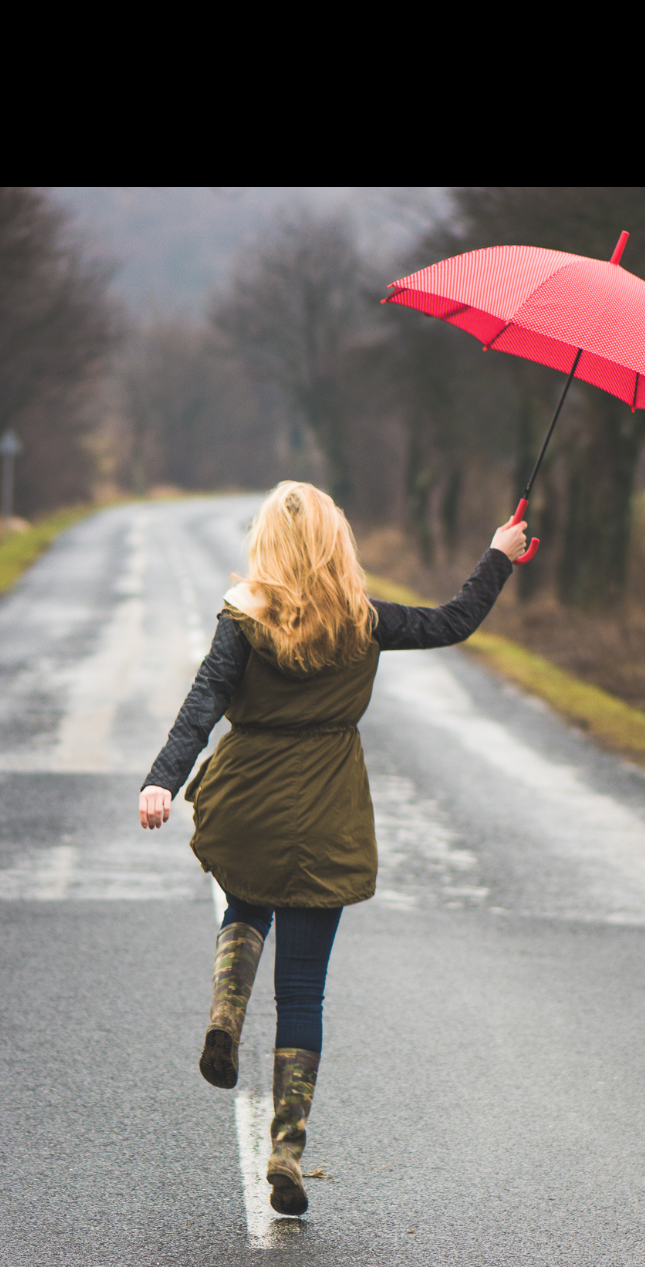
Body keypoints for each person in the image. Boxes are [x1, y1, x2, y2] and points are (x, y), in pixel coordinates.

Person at [140, 480, 527, 1215]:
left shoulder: (242, 617)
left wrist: (162, 780)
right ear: (335, 542)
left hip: (248, 796)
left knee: (246, 900)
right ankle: (286, 1150)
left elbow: (202, 704)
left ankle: (225, 1012)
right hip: (327, 809)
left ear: (268, 543)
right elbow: (454, 620)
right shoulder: (364, 620)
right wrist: (497, 554)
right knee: (302, 990)